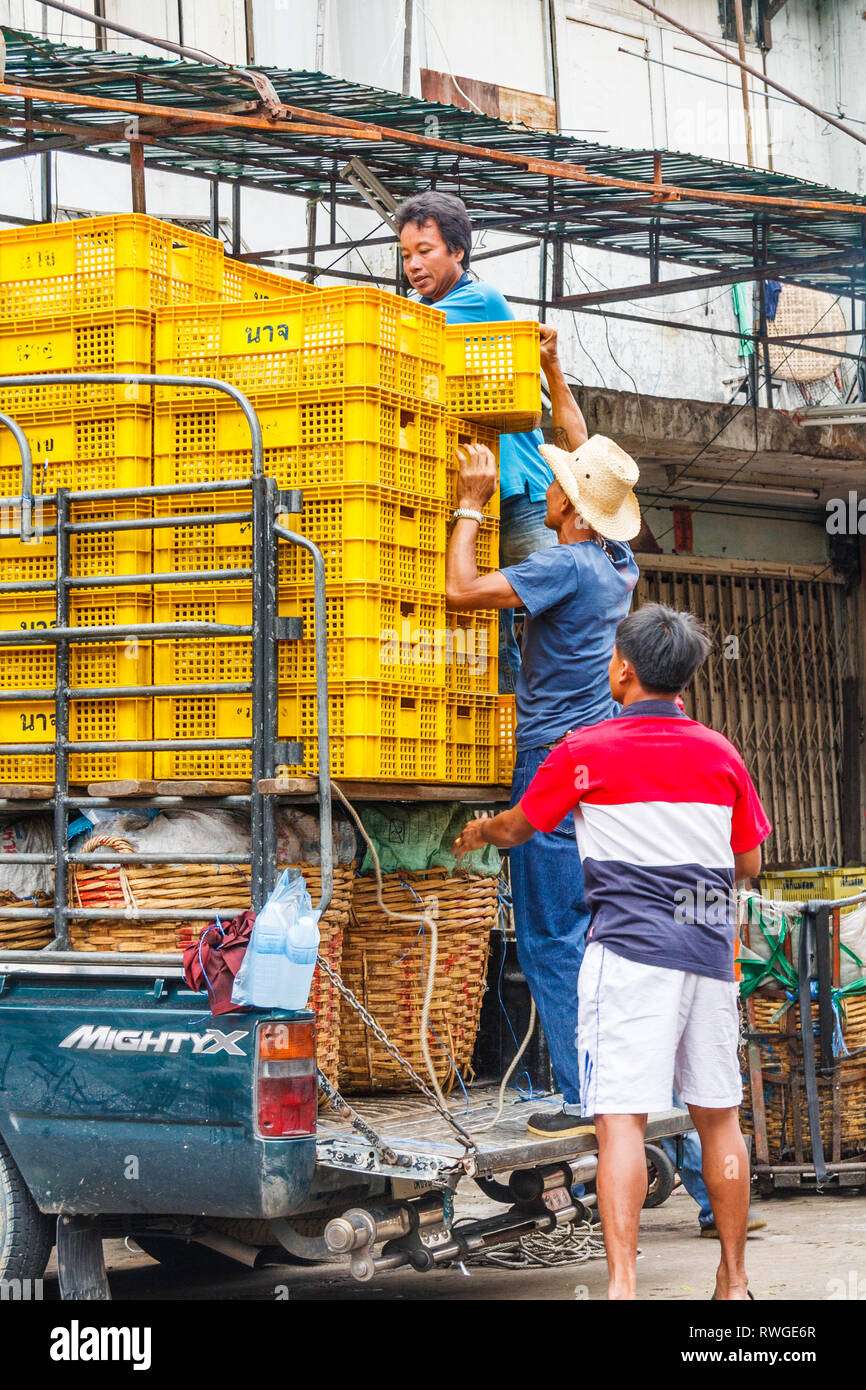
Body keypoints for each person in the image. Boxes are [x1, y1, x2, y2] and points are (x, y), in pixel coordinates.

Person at [453, 603, 771, 1300]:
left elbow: (520, 826)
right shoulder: (722, 753)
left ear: (622, 669)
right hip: (711, 955)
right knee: (719, 1115)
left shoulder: (584, 750)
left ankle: (623, 1290)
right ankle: (734, 1283)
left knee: (620, 1119)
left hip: (629, 955)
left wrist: (480, 831)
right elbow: (746, 861)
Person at [445, 435, 641, 1135]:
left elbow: (460, 590)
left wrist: (470, 506)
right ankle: (616, 1096)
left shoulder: (567, 565)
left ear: (575, 511)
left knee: (551, 938)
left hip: (552, 763)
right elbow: (588, 446)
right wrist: (555, 373)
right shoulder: (621, 563)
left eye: (557, 483)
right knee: (592, 935)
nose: (544, 486)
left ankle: (583, 1098)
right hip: (601, 761)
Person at [396, 191, 587, 691]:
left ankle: (557, 712)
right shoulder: (414, 311)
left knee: (551, 611)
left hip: (519, 494)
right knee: (486, 622)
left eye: (425, 250)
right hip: (468, 492)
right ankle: (506, 721)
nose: (414, 264)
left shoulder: (477, 301)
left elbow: (400, 337)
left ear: (457, 252)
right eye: (405, 255)